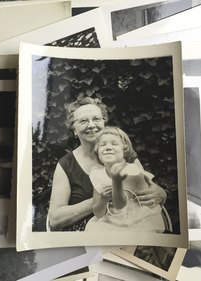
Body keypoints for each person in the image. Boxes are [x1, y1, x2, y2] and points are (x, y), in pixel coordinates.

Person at [48, 97, 167, 231]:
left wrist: (161, 194)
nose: (91, 125)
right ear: (74, 129)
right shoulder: (66, 165)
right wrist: (100, 199)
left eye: (97, 119)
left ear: (104, 123)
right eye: (83, 121)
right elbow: (54, 219)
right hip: (88, 236)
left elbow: (145, 192)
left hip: (130, 228)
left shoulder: (125, 156)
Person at [85, 126, 166, 232]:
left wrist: (116, 181)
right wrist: (103, 200)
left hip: (140, 219)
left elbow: (120, 205)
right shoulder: (98, 174)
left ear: (125, 149)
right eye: (102, 145)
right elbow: (98, 213)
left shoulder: (132, 171)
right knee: (93, 228)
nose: (108, 147)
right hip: (115, 218)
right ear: (97, 150)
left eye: (114, 144)